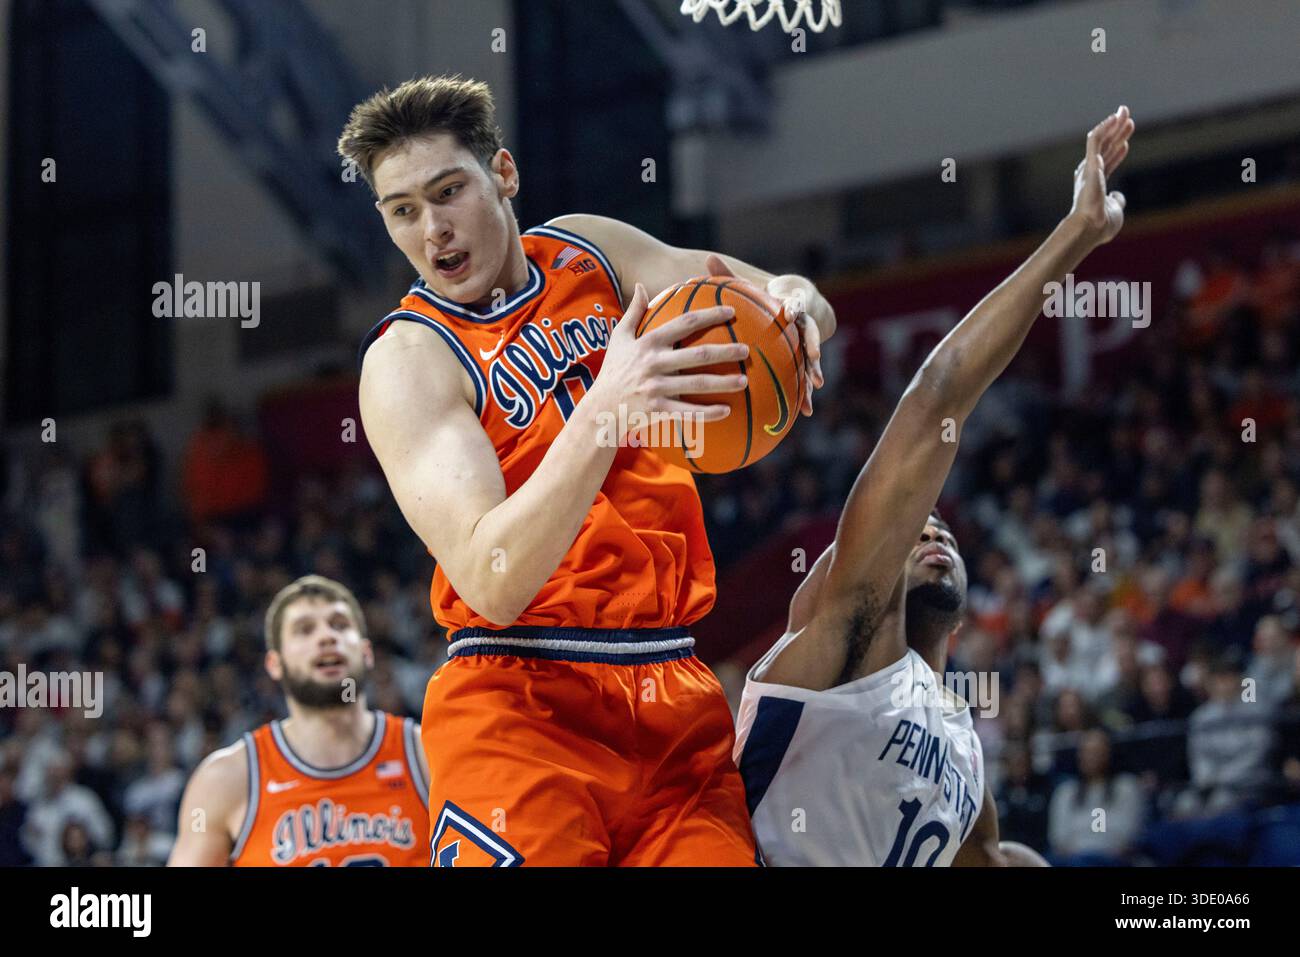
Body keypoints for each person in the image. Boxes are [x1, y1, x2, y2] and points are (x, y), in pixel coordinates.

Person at [341, 75, 836, 866]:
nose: (433, 229)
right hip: (520, 703)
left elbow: (774, 292)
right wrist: (605, 408)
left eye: (448, 192)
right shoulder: (409, 360)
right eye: (404, 210)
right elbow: (493, 576)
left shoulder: (588, 252)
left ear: (502, 175)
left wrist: (796, 304)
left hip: (670, 688)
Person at [732, 107, 1136, 865]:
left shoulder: (960, 743)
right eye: (917, 526)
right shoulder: (842, 637)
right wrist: (1075, 236)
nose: (933, 529)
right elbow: (937, 397)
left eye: (944, 529)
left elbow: (992, 856)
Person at [169, 576, 429, 866]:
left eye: (340, 625)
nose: (327, 637)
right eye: (305, 630)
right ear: (274, 664)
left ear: (367, 653)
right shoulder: (226, 779)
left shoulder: (425, 754)